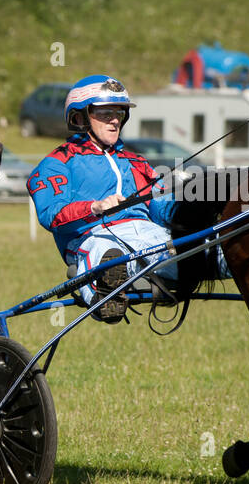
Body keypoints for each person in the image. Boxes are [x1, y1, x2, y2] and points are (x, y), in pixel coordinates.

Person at [26, 74, 180, 323]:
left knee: (212, 248)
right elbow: (51, 213)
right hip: (93, 237)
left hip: (150, 238)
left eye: (119, 113)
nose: (115, 120)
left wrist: (197, 208)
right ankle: (105, 293)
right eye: (105, 114)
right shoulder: (58, 162)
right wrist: (94, 207)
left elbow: (163, 207)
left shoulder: (136, 162)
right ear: (79, 117)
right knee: (108, 253)